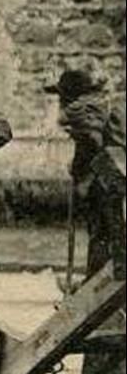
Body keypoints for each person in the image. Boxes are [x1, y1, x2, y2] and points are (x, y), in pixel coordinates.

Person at [47, 68, 125, 281]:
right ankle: (99, 283)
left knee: (101, 233)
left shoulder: (79, 110)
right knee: (108, 232)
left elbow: (93, 141)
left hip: (102, 180)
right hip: (113, 177)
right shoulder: (101, 107)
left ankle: (97, 284)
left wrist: (84, 176)